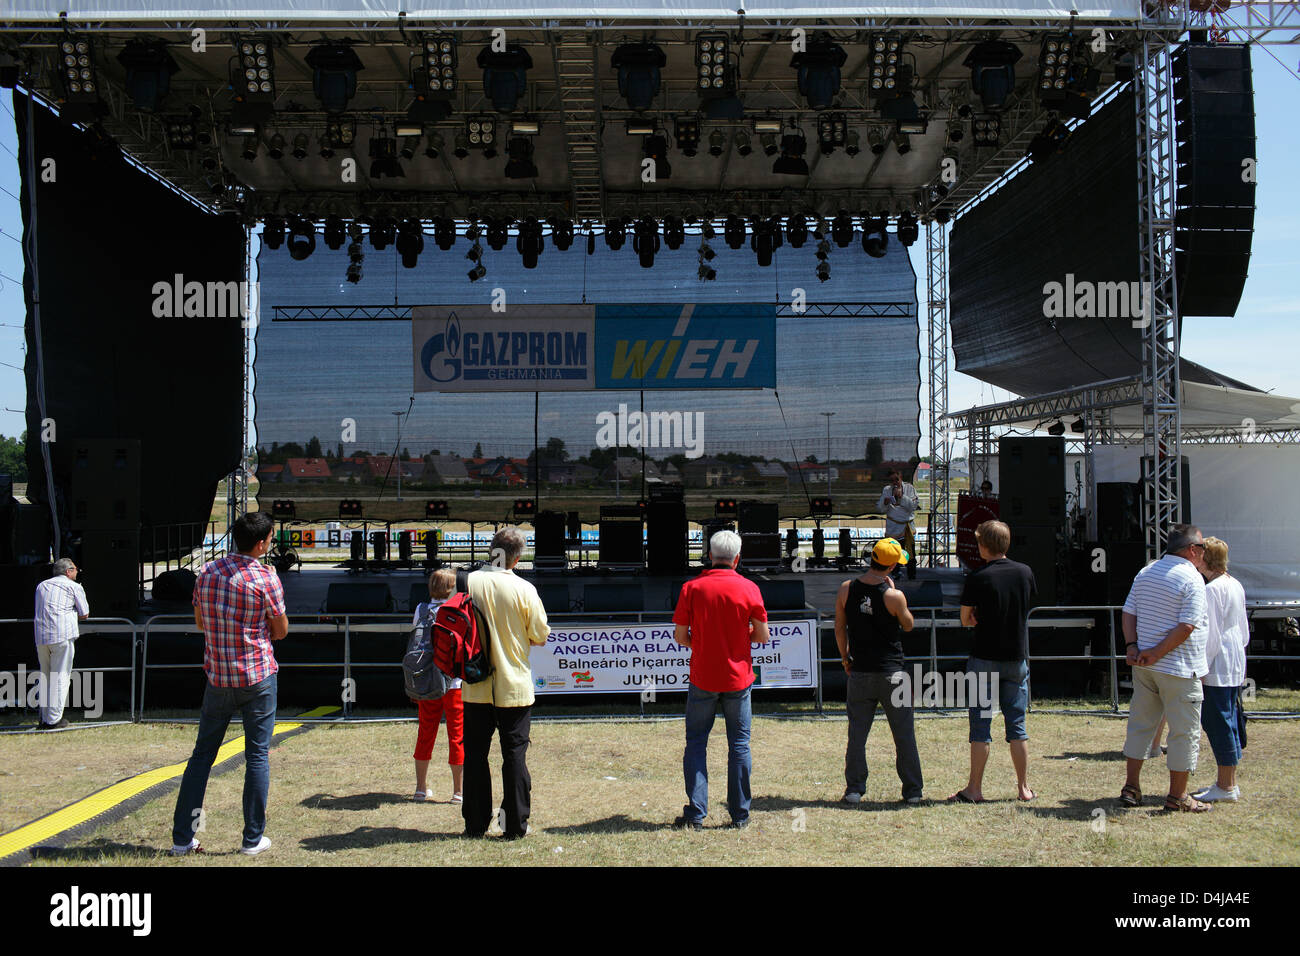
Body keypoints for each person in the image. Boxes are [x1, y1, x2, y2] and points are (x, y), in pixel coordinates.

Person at [171, 512, 288, 856]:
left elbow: (200, 622)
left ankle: (182, 838)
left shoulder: (207, 572)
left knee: (201, 757)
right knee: (257, 757)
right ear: (262, 542)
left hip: (218, 676)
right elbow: (280, 631)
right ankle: (252, 839)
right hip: (257, 676)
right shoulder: (265, 578)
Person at [672, 530, 771, 830]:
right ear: (737, 559)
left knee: (696, 743)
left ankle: (696, 813)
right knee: (739, 745)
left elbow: (680, 636)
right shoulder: (750, 588)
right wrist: (739, 641)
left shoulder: (692, 587)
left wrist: (701, 644)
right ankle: (740, 814)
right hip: (738, 678)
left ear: (710, 556)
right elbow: (763, 635)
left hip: (703, 676)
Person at [460, 527, 550, 839]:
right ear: (517, 557)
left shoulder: (467, 582)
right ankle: (513, 826)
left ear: (491, 550)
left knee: (474, 755)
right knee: (514, 757)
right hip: (513, 686)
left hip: (474, 685)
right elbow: (539, 635)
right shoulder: (524, 589)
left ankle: (475, 823)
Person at [1118, 524, 1211, 813]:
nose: (1203, 554)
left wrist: (1133, 647)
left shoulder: (1146, 572)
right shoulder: (1193, 579)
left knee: (1140, 726)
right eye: (1202, 548)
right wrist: (1156, 652)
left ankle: (1131, 787)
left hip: (1145, 666)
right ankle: (1178, 796)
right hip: (1180, 669)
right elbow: (1186, 626)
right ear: (1193, 550)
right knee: (1184, 732)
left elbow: (1128, 612)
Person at [952, 520, 1037, 803]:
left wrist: (976, 616)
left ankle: (974, 788)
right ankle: (1023, 788)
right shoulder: (1025, 572)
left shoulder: (977, 577)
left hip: (984, 658)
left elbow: (965, 619)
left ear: (983, 545)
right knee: (1017, 726)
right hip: (1016, 658)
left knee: (980, 727)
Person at [835, 537, 922, 805]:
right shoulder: (894, 596)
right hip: (892, 672)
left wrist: (845, 658)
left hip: (860, 671)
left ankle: (854, 789)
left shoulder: (846, 588)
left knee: (857, 734)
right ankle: (913, 791)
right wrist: (895, 594)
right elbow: (908, 625)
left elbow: (839, 627)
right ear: (892, 565)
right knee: (903, 733)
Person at [1193, 536, 1250, 802]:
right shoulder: (1234, 584)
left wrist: (1201, 667)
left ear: (1206, 559)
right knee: (1229, 719)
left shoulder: (1212, 589)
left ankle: (1226, 785)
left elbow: (1211, 634)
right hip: (1234, 658)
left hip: (1218, 662)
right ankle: (1228, 782)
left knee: (1219, 722)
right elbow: (1243, 629)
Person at [412, 567, 463, 803]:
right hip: (453, 682)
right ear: (451, 588)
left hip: (426, 679)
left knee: (425, 732)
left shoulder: (421, 610)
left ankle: (421, 788)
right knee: (457, 735)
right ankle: (458, 791)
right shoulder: (457, 609)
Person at [33, 558, 89, 729]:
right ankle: (54, 720)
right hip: (61, 635)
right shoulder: (74, 587)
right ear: (68, 571)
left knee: (46, 676)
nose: (77, 571)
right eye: (75, 569)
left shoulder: (41, 586)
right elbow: (84, 613)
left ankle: (44, 717)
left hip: (42, 636)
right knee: (61, 677)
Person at [877, 469, 920, 580]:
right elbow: (880, 508)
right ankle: (895, 572)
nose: (895, 482)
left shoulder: (910, 488)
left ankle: (912, 573)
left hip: (906, 526)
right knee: (893, 552)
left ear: (901, 478)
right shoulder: (887, 490)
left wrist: (902, 497)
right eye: (892, 480)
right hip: (893, 526)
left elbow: (913, 506)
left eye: (897, 479)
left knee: (910, 552)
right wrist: (885, 503)